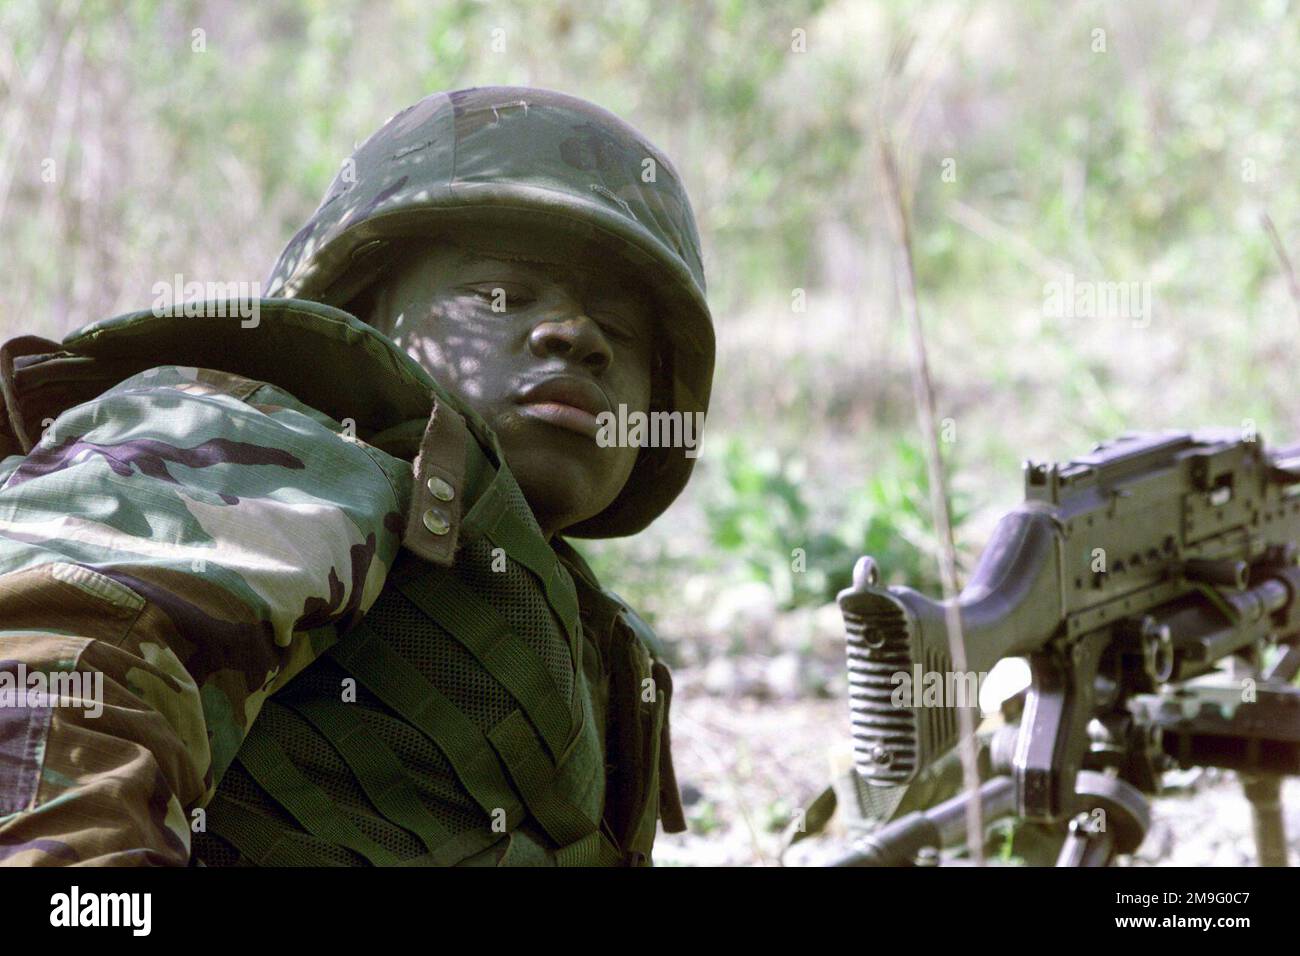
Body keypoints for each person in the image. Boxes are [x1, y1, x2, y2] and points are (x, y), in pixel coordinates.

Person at [0, 85, 714, 866]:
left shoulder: (579, 633)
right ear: (365, 315)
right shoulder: (262, 444)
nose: (576, 335)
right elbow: (48, 679)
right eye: (498, 293)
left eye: (617, 329)